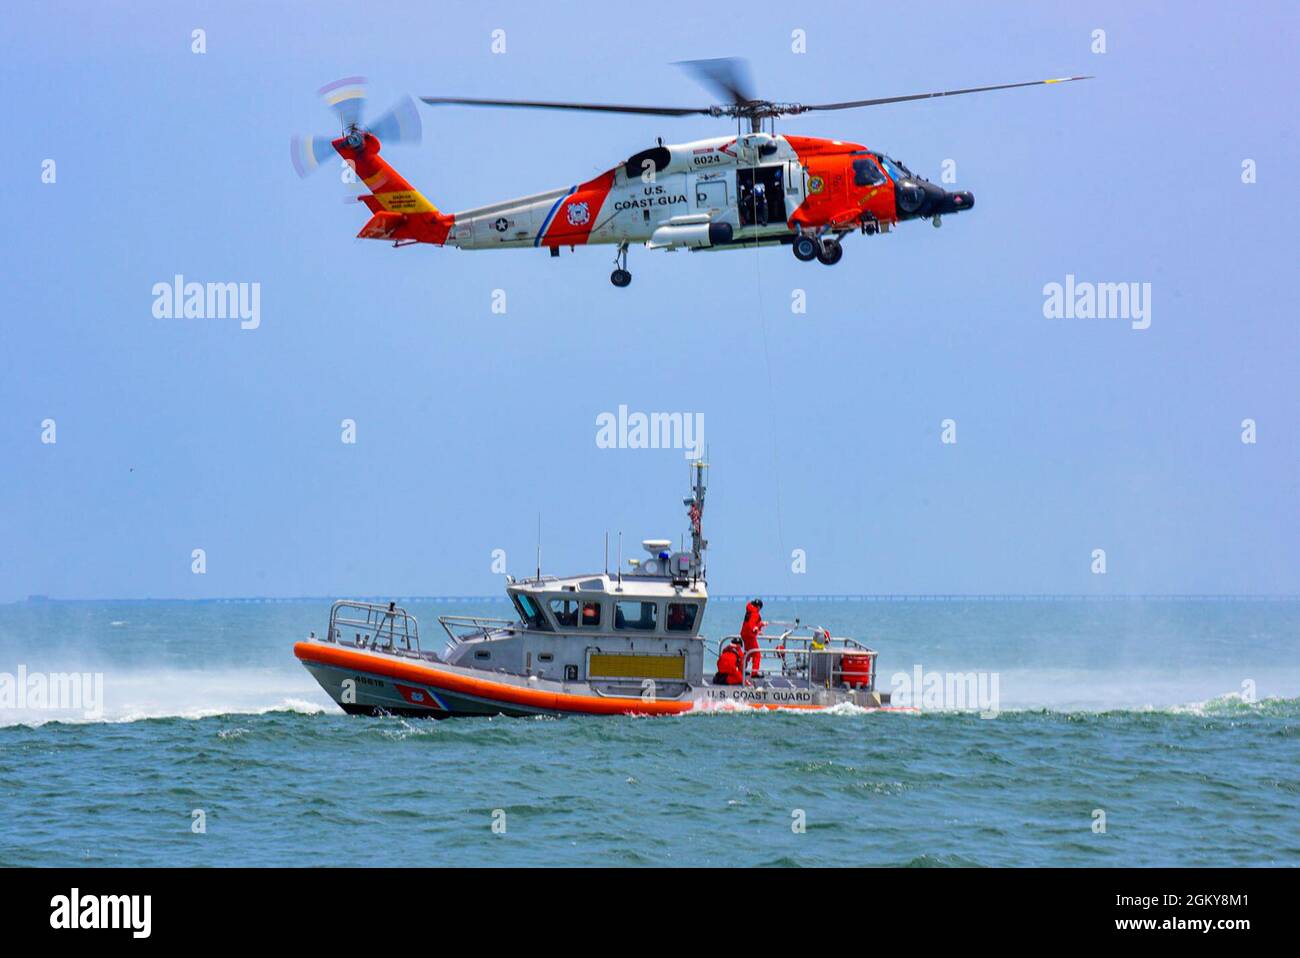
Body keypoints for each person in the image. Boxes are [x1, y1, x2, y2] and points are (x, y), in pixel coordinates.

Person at [740, 598, 765, 678]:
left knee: (747, 653)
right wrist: (757, 630)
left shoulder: (749, 610)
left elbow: (750, 623)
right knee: (757, 654)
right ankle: (754, 673)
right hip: (750, 636)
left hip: (744, 634)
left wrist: (761, 625)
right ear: (758, 607)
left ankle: (741, 669)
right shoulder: (755, 613)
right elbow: (752, 625)